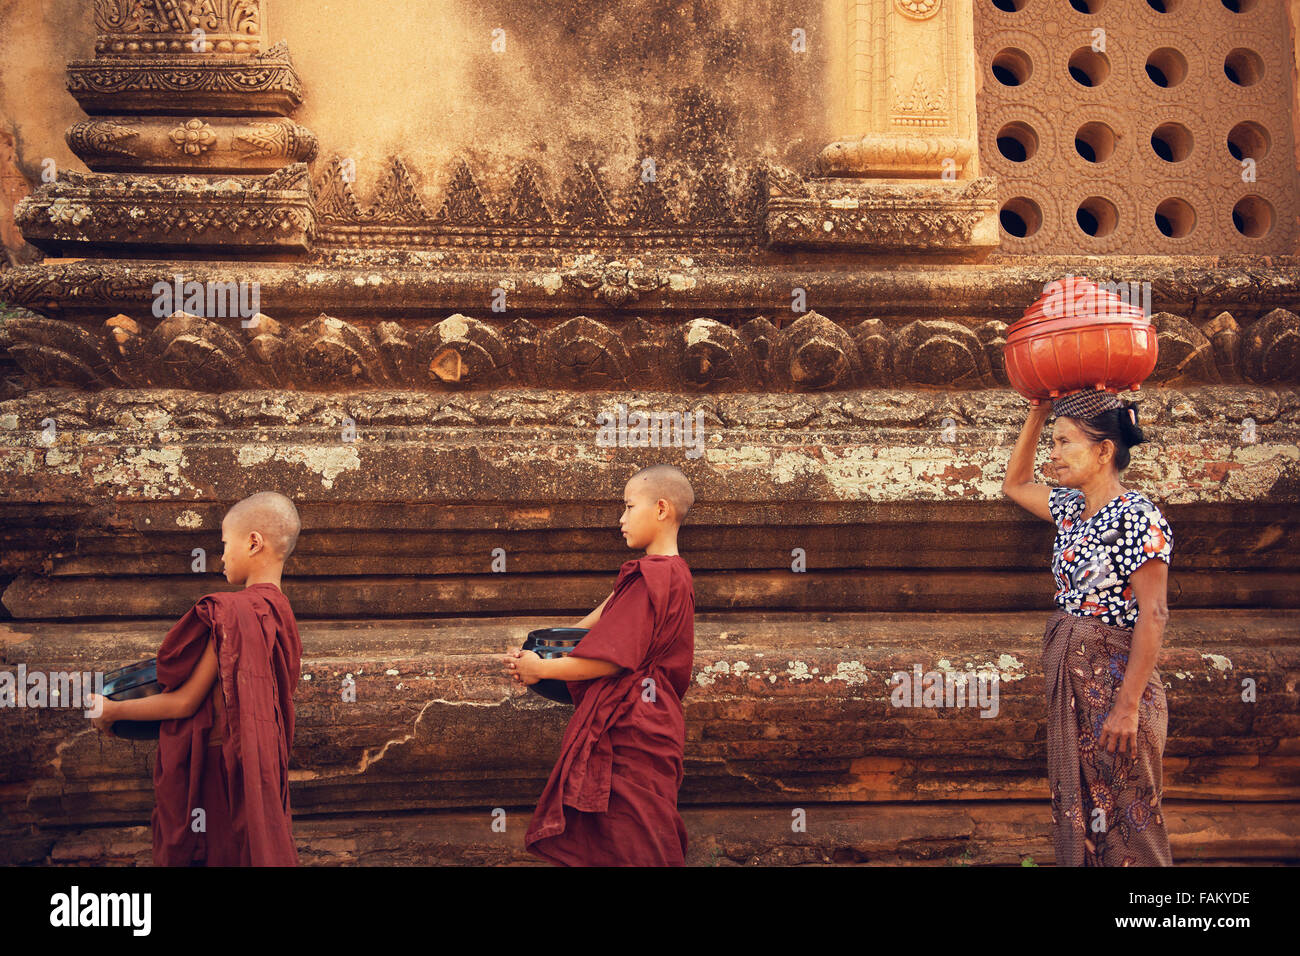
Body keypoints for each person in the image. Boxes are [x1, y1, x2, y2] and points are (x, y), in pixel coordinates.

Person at [1002, 389, 1174, 866]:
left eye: (1064, 443)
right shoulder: (1071, 510)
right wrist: (1037, 414)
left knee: (1132, 827)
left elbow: (1154, 614)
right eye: (1052, 443)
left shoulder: (1139, 518)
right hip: (1072, 683)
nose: (1052, 455)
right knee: (1085, 824)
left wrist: (1127, 706)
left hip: (1118, 690)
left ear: (1103, 451)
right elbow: (1014, 485)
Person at [88, 491, 304, 866]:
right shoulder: (283, 616)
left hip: (219, 772)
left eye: (223, 545)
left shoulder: (233, 613)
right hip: (260, 774)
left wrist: (112, 710)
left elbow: (185, 702)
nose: (220, 558)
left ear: (253, 542)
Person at [505, 464, 696, 865]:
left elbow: (610, 662)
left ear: (661, 509)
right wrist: (555, 642)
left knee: (637, 839)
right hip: (654, 716)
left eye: (628, 507)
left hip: (632, 724)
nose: (621, 519)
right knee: (626, 835)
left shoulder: (651, 577)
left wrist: (542, 670)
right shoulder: (673, 574)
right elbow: (611, 610)